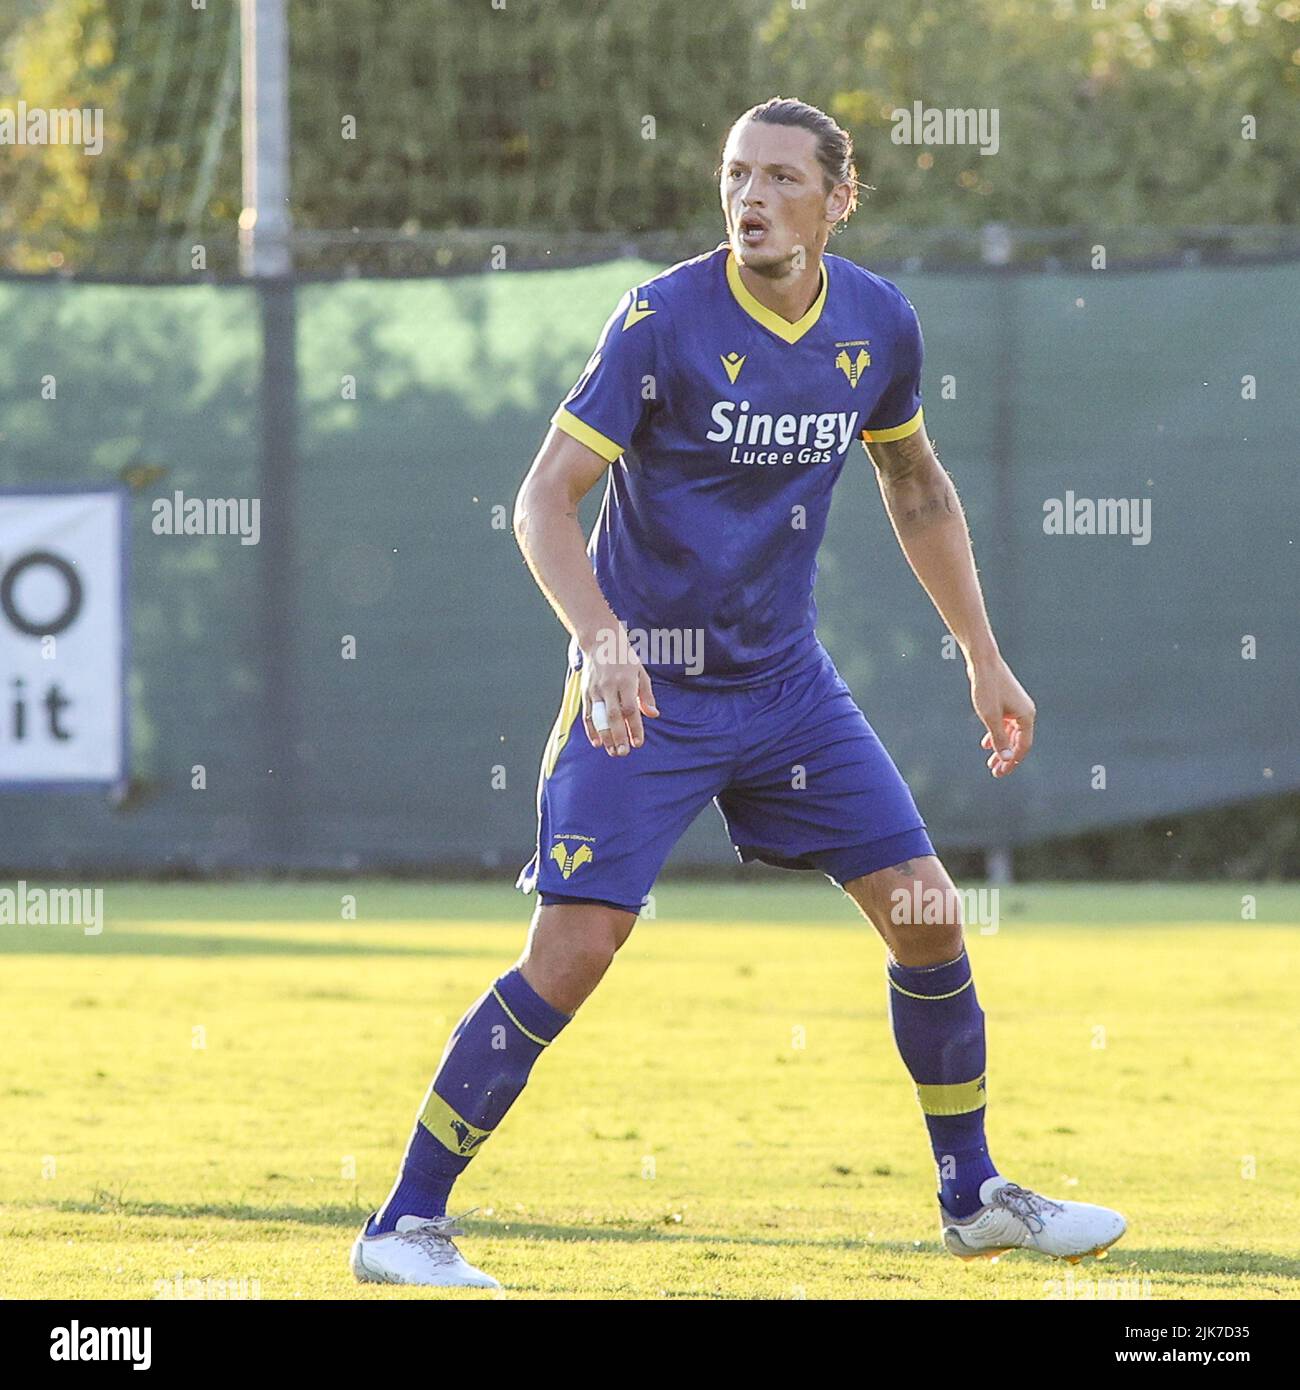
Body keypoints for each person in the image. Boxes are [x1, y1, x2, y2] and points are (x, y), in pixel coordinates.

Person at [351, 97, 1125, 1289]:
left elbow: (915, 487)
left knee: (926, 912)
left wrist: (980, 649)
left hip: (783, 688)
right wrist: (601, 641)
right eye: (733, 176)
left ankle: (973, 1197)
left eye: (777, 178)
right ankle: (402, 1224)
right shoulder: (660, 318)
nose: (749, 200)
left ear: (836, 197)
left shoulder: (877, 322)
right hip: (646, 687)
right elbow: (540, 502)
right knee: (575, 946)